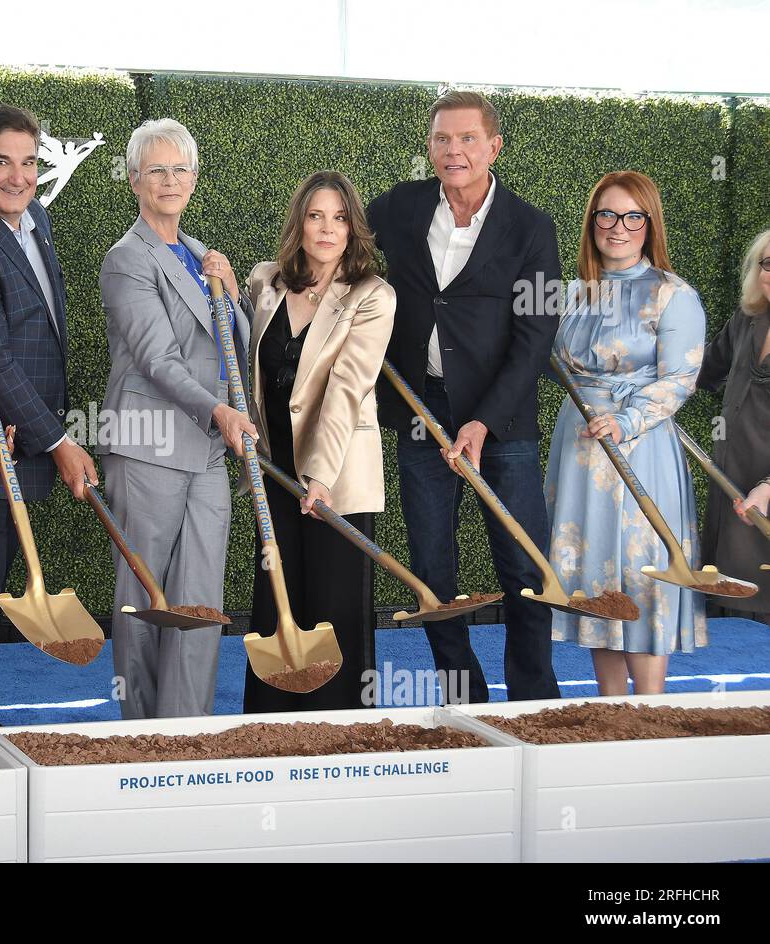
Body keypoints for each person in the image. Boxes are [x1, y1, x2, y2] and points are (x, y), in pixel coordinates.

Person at [368, 90, 561, 704]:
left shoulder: (532, 226)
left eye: (467, 139)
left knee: (525, 567)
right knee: (432, 569)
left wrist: (484, 419)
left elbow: (536, 337)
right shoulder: (398, 208)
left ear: (494, 146)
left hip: (503, 424)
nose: (454, 151)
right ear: (429, 146)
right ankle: (466, 697)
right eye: (442, 139)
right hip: (421, 411)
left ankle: (533, 699)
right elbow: (335, 249)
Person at [0, 105, 97, 730]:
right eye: (1, 162)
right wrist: (58, 440)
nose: (18, 176)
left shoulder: (36, 218)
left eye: (29, 163)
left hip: (24, 435)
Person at [98, 118, 254, 719]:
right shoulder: (126, 259)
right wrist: (218, 410)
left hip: (210, 449)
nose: (169, 180)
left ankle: (186, 733)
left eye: (180, 169)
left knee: (199, 599)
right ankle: (140, 734)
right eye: (156, 169)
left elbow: (233, 345)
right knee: (145, 599)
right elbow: (159, 359)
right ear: (135, 179)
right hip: (149, 447)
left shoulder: (200, 256)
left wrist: (232, 292)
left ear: (194, 178)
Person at [546, 170, 708, 694]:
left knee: (643, 571)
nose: (619, 227)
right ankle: (612, 708)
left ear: (649, 224)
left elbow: (681, 377)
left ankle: (651, 711)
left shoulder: (673, 295)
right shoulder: (572, 293)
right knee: (596, 574)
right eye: (608, 215)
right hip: (580, 447)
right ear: (593, 222)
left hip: (638, 448)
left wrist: (628, 419)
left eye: (633, 216)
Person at [242, 171, 395, 712]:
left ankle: (339, 737)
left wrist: (320, 478)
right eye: (315, 216)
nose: (327, 229)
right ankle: (269, 730)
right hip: (272, 472)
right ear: (299, 224)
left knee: (333, 613)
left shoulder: (372, 295)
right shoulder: (265, 282)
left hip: (334, 479)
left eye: (339, 218)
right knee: (277, 606)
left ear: (353, 227)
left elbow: (346, 391)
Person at [696, 228, 770, 623]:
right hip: (733, 482)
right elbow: (701, 370)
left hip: (765, 490)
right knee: (731, 604)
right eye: (769, 263)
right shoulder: (747, 319)